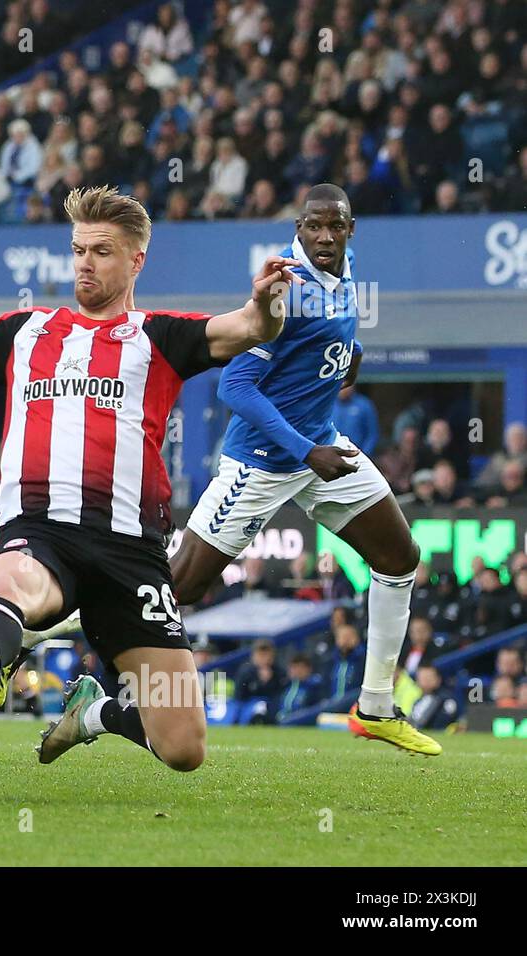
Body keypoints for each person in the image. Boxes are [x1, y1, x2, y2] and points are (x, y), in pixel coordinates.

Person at [0, 184, 292, 772]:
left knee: (184, 748)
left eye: (102, 251)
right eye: (78, 249)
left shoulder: (160, 337)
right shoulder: (27, 332)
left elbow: (249, 328)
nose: (85, 263)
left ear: (136, 260)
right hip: (42, 531)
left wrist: (267, 303)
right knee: (14, 576)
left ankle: (92, 713)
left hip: (131, 552)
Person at [169, 184, 439, 757]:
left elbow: (329, 337)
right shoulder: (284, 291)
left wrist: (347, 357)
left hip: (323, 445)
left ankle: (376, 706)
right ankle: (44, 626)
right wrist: (303, 450)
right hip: (264, 459)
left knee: (399, 558)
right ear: (298, 227)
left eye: (334, 226)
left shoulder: (346, 269)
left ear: (350, 230)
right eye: (313, 226)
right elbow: (234, 386)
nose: (324, 236)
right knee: (179, 587)